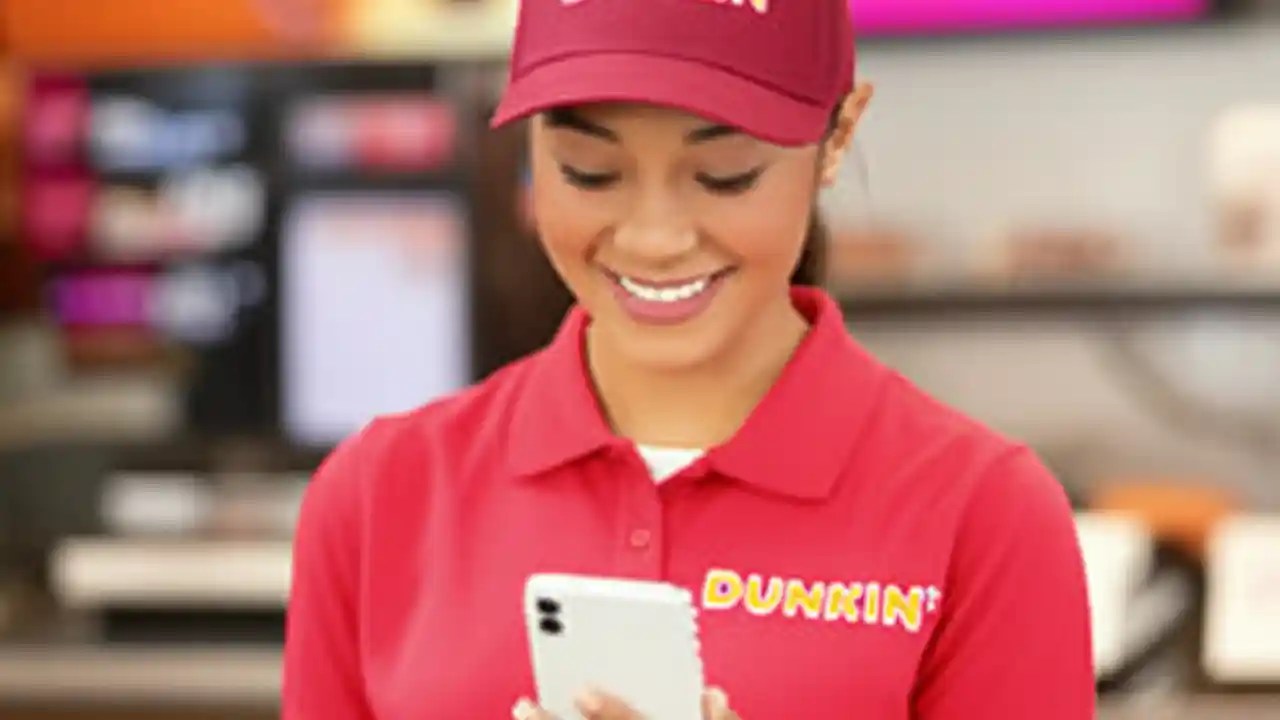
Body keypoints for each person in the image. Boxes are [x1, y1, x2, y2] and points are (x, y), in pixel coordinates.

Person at [282, 1, 1096, 718]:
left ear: (839, 134)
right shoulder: (377, 495)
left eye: (724, 177)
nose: (654, 238)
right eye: (588, 172)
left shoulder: (983, 514)